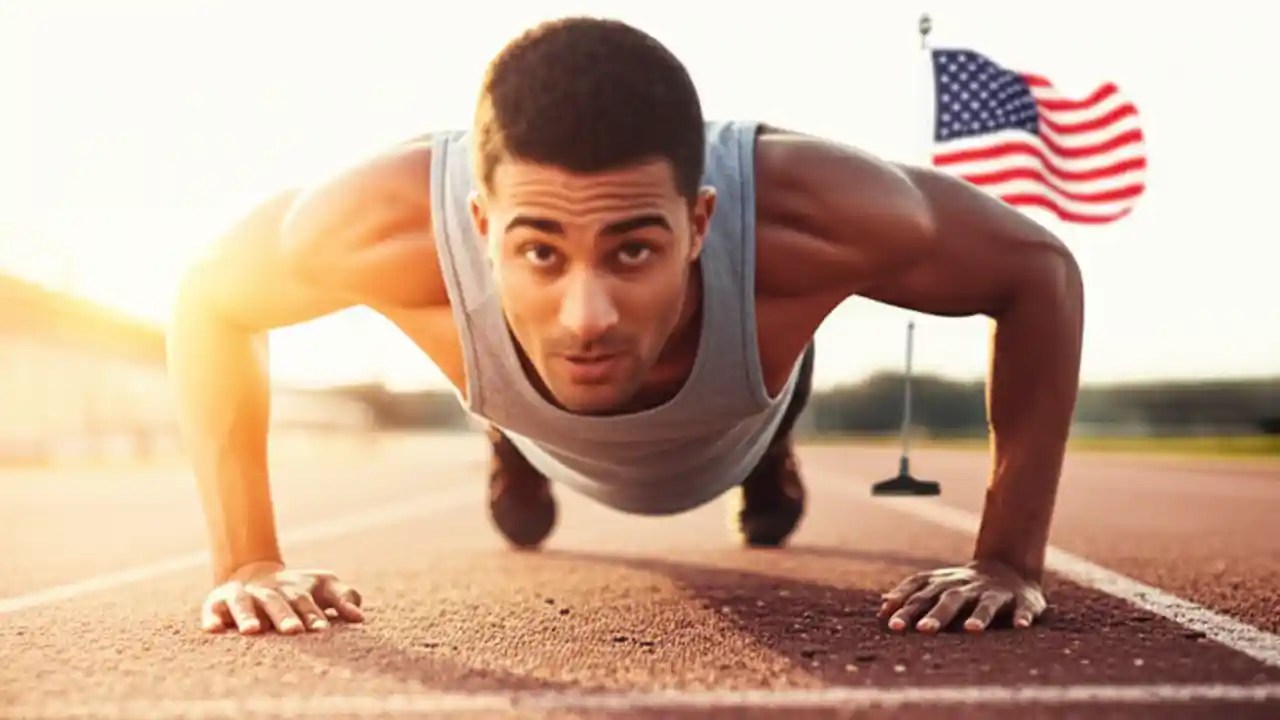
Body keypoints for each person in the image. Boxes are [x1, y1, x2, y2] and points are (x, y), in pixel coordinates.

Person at [169, 16, 1079, 639]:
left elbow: (1038, 271)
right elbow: (209, 297)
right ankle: (512, 437)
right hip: (526, 408)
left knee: (769, 424)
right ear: (482, 227)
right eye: (539, 253)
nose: (588, 314)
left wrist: (1007, 559)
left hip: (743, 410)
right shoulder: (379, 227)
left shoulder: (814, 216)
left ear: (702, 220)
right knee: (528, 428)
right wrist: (247, 559)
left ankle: (770, 451)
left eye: (634, 251)